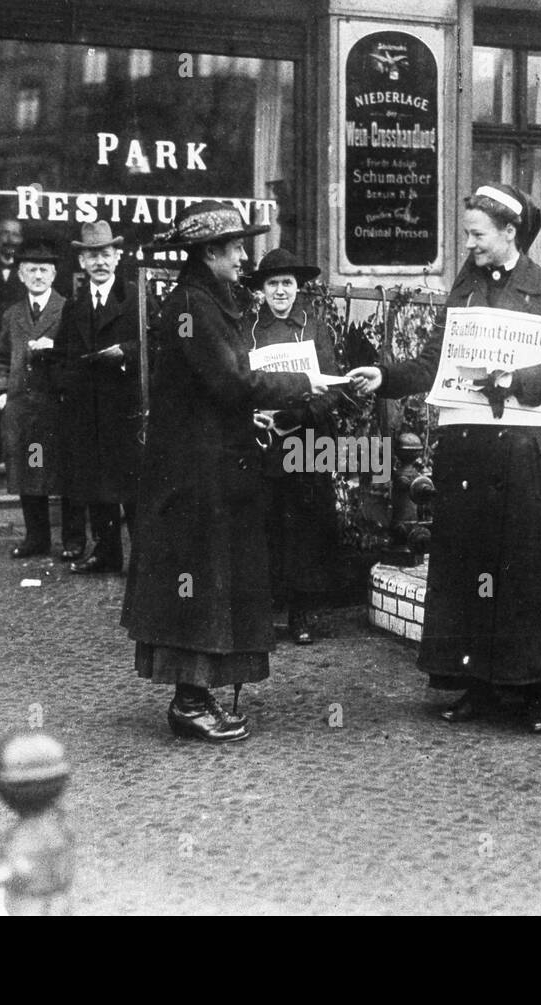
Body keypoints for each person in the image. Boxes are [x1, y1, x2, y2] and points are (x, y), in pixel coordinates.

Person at [348, 182, 541, 733]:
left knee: (529, 573)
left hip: (526, 453)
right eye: (466, 235)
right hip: (471, 453)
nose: (470, 244)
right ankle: (479, 688)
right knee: (471, 568)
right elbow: (434, 364)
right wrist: (385, 376)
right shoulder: (464, 290)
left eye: (478, 235)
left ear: (510, 233)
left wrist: (519, 379)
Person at [121, 202, 330, 743]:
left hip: (209, 467)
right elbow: (233, 383)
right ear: (209, 253)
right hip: (195, 476)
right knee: (198, 581)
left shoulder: (208, 300)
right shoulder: (193, 304)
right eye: (236, 248)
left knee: (210, 580)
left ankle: (197, 696)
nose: (244, 257)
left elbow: (224, 385)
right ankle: (189, 702)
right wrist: (308, 384)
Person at [243, 248, 341, 645]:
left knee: (306, 524)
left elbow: (334, 386)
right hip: (265, 442)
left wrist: (304, 414)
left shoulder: (314, 327)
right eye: (272, 284)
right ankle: (265, 613)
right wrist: (252, 413)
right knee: (265, 522)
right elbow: (238, 383)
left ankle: (302, 613)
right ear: (262, 291)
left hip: (308, 440)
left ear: (298, 287)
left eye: (287, 283)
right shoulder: (249, 330)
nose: (280, 291)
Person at [57, 221, 142, 574]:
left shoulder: (135, 297)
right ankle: (106, 554)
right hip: (87, 411)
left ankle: (145, 559)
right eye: (92, 256)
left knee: (133, 490)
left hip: (126, 409)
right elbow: (63, 355)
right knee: (96, 487)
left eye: (106, 254)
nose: (100, 262)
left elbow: (156, 344)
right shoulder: (74, 308)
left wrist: (125, 352)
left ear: (118, 256)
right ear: (82, 262)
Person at [0, 239, 83, 559]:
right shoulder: (12, 314)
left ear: (54, 274)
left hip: (55, 404)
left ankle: (73, 541)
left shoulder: (68, 308)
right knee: (28, 472)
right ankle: (36, 538)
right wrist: (2, 393)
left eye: (44, 269)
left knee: (66, 474)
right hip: (21, 406)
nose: (38, 275)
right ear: (21, 275)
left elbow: (75, 355)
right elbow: (0, 357)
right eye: (31, 270)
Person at [0, 217, 25, 467]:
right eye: (4, 233)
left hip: (17, 346)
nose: (9, 240)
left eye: (15, 234)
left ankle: (16, 457)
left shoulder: (27, 271)